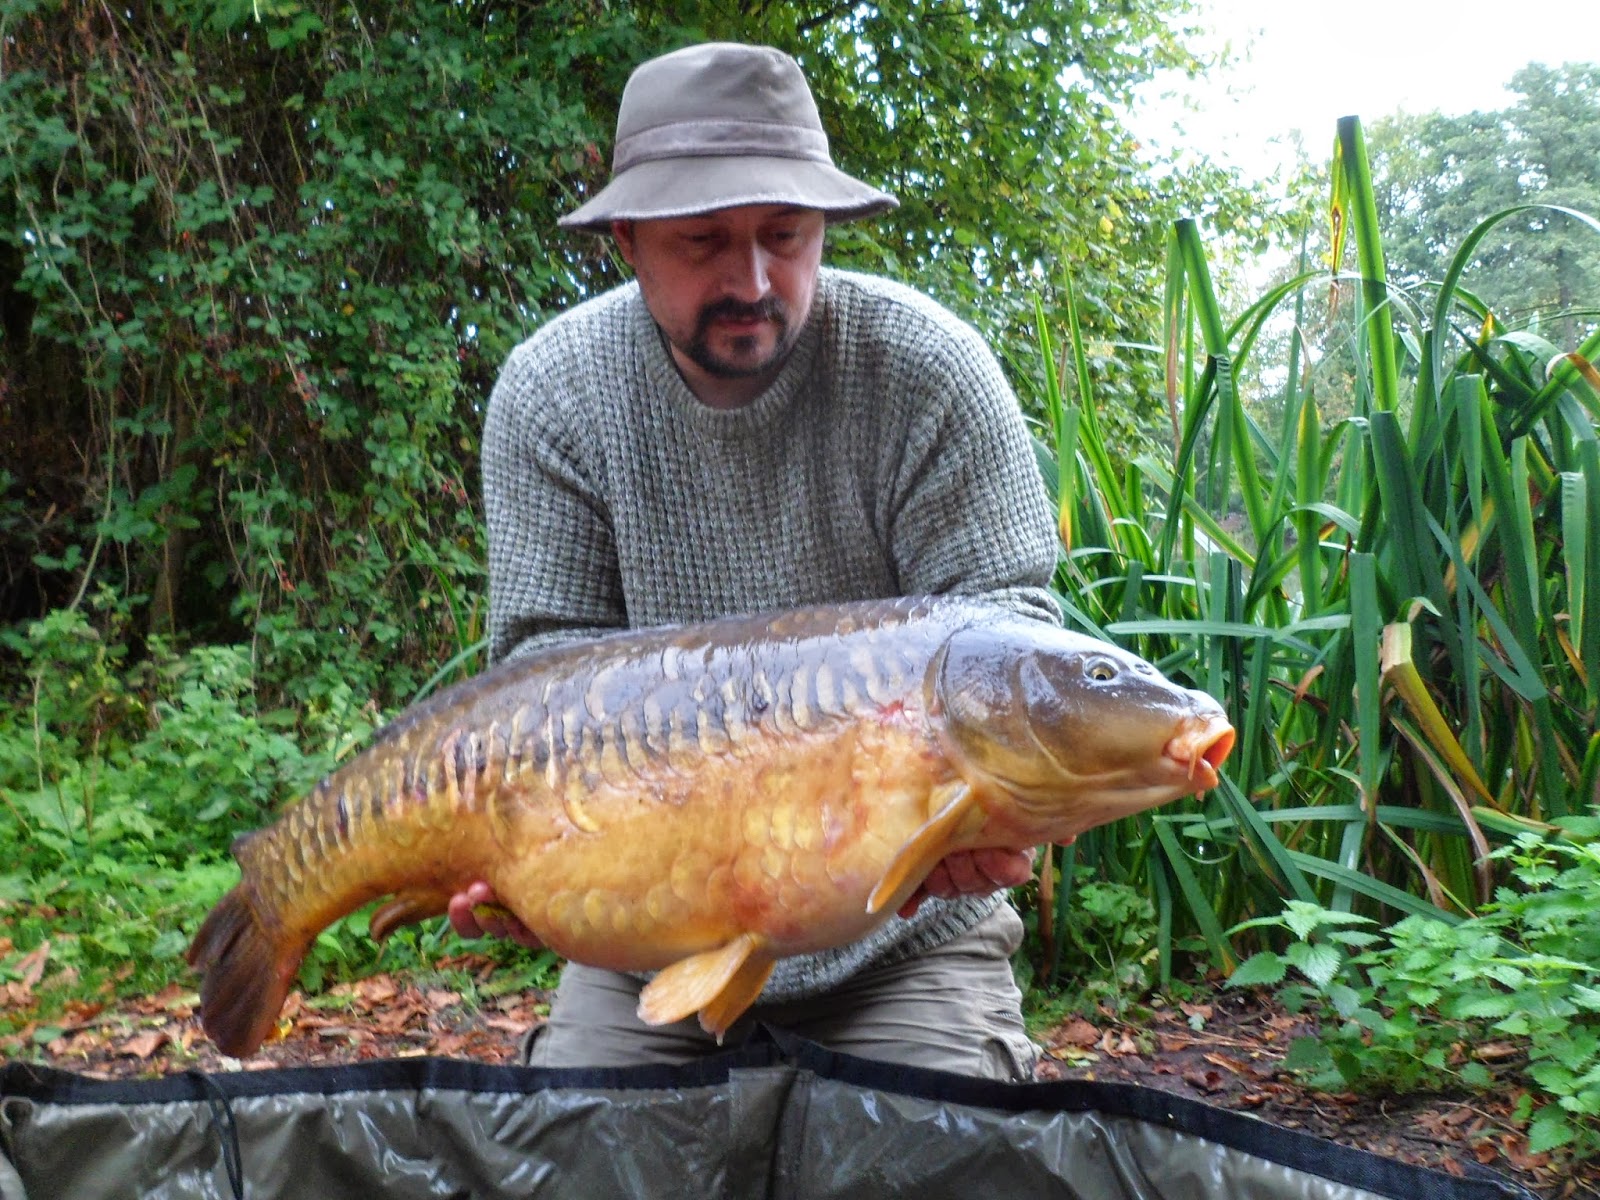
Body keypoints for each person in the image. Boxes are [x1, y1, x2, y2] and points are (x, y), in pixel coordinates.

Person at [447, 41, 1062, 1082]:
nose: (752, 281)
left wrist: (985, 814)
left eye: (785, 235)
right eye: (702, 242)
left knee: (947, 1146)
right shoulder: (553, 392)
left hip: (904, 939)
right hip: (648, 939)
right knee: (579, 1149)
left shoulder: (927, 370)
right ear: (628, 241)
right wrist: (533, 858)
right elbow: (543, 682)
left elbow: (1011, 636)